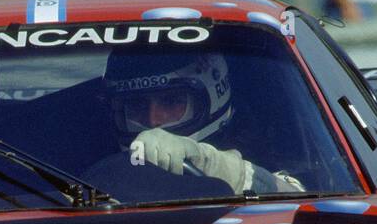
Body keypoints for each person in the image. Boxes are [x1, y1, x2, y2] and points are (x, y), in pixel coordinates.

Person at [89, 49, 302, 195]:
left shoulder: (273, 153)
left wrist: (214, 164)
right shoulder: (86, 172)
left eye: (171, 102)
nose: (153, 120)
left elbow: (307, 206)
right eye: (136, 106)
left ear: (212, 96)